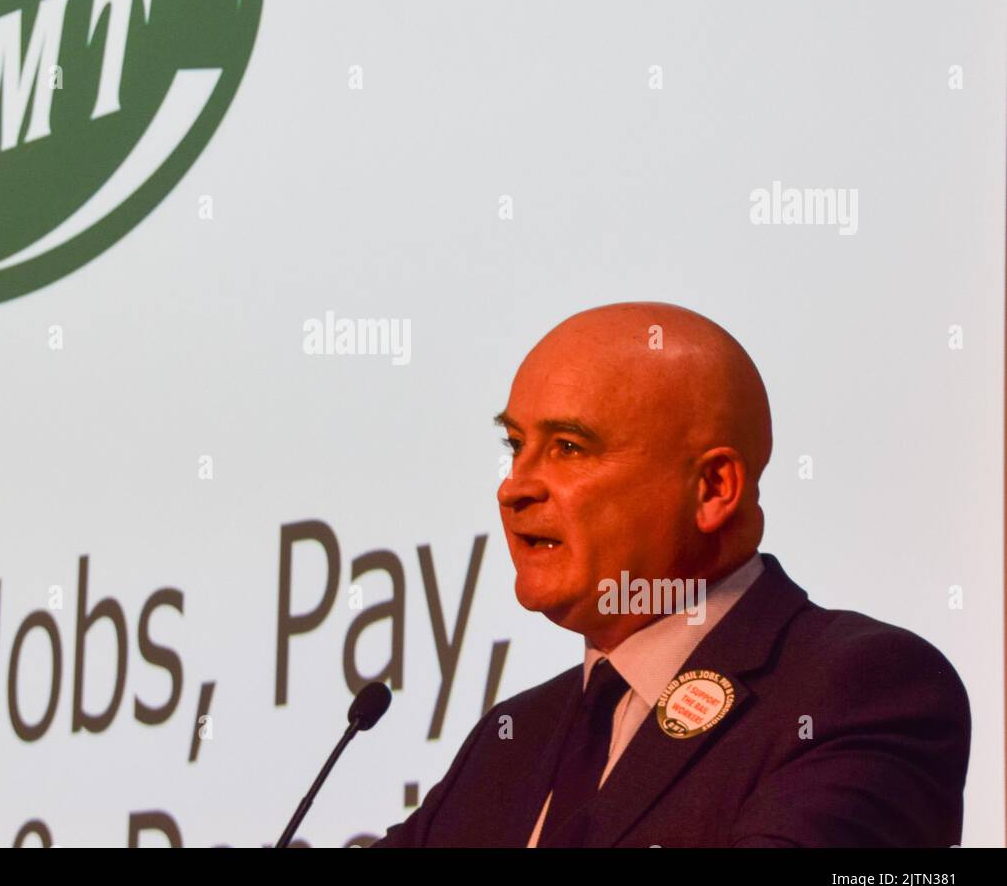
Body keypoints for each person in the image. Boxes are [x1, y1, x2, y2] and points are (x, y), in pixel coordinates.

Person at [372, 302, 970, 847]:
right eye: (516, 444)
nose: (515, 487)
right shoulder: (508, 740)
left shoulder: (859, 689)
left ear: (712, 490)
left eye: (569, 447)